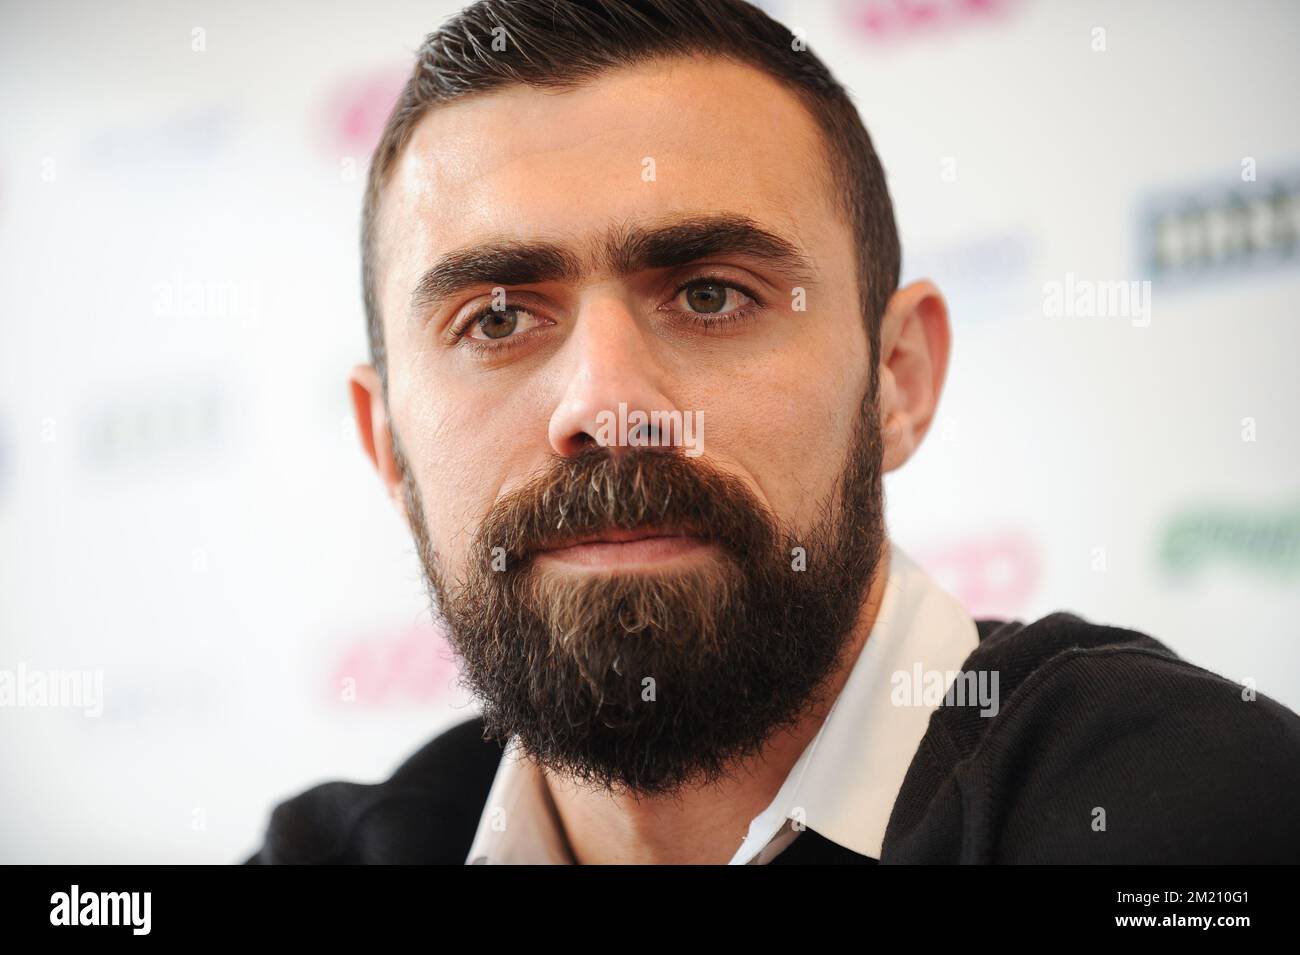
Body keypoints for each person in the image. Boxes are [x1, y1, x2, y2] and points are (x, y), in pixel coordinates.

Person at [244, 0, 1300, 865]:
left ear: (896, 378)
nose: (606, 407)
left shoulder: (1206, 817)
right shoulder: (326, 854)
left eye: (709, 294)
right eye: (499, 318)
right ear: (386, 443)